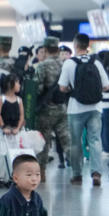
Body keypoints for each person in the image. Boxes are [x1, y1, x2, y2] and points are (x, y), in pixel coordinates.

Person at [58, 33, 109, 187]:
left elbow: (62, 87)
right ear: (88, 46)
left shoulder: (69, 63)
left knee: (76, 142)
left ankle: (77, 175)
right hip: (95, 108)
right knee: (95, 140)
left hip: (75, 109)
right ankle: (96, 173)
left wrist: (73, 89)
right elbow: (106, 86)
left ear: (75, 45)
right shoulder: (96, 62)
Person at [33, 37, 69, 183]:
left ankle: (41, 172)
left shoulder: (42, 66)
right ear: (58, 49)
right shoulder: (65, 65)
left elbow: (37, 88)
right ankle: (77, 172)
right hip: (62, 108)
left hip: (45, 110)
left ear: (45, 49)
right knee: (67, 140)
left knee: (44, 142)